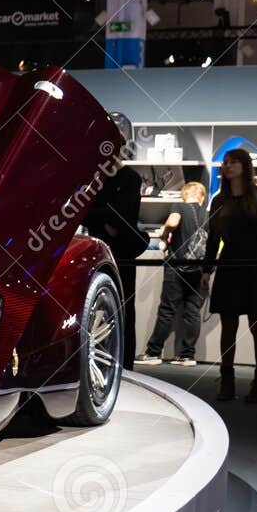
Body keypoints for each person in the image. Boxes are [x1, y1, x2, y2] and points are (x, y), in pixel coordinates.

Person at [202, 150, 257, 403]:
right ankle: (227, 380)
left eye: (233, 162)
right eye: (225, 162)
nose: (228, 166)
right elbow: (213, 238)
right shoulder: (219, 200)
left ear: (245, 166)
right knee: (228, 326)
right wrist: (207, 269)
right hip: (229, 265)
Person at [85, 151, 148, 370]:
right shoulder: (97, 179)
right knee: (99, 309)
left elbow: (123, 214)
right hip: (101, 253)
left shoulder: (129, 178)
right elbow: (85, 213)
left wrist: (103, 216)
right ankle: (104, 363)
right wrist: (108, 218)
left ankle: (124, 365)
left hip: (120, 254)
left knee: (123, 309)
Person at [138, 180, 209, 367]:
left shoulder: (180, 206)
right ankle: (187, 356)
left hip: (177, 265)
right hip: (198, 269)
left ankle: (153, 353)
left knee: (167, 310)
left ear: (185, 195)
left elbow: (172, 222)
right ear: (202, 197)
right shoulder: (208, 214)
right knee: (192, 311)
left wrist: (164, 233)